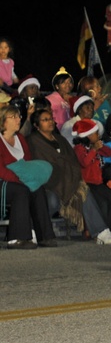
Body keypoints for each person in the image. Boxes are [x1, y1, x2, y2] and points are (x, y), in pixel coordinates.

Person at [28, 109, 111, 245]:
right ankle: (31, 229)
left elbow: (72, 160)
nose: (50, 122)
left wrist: (66, 171)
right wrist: (61, 168)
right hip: (47, 184)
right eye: (45, 120)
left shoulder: (60, 139)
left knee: (83, 192)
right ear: (36, 125)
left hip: (67, 180)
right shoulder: (33, 140)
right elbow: (39, 162)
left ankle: (101, 232)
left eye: (51, 118)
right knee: (52, 201)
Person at [0, 105, 57, 248]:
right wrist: (21, 180)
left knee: (38, 189)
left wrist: (29, 178)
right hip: (3, 182)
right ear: (3, 121)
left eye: (19, 116)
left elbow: (28, 163)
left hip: (19, 180)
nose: (19, 119)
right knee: (21, 191)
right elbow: (1, 170)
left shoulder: (20, 138)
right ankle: (16, 239)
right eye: (14, 117)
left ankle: (44, 236)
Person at [72, 118, 111, 239]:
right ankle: (98, 232)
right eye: (95, 133)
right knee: (103, 203)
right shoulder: (79, 148)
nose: (98, 135)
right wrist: (94, 149)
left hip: (99, 182)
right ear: (88, 135)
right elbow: (84, 162)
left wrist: (99, 146)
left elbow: (110, 153)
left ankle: (110, 232)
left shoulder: (95, 146)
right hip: (87, 183)